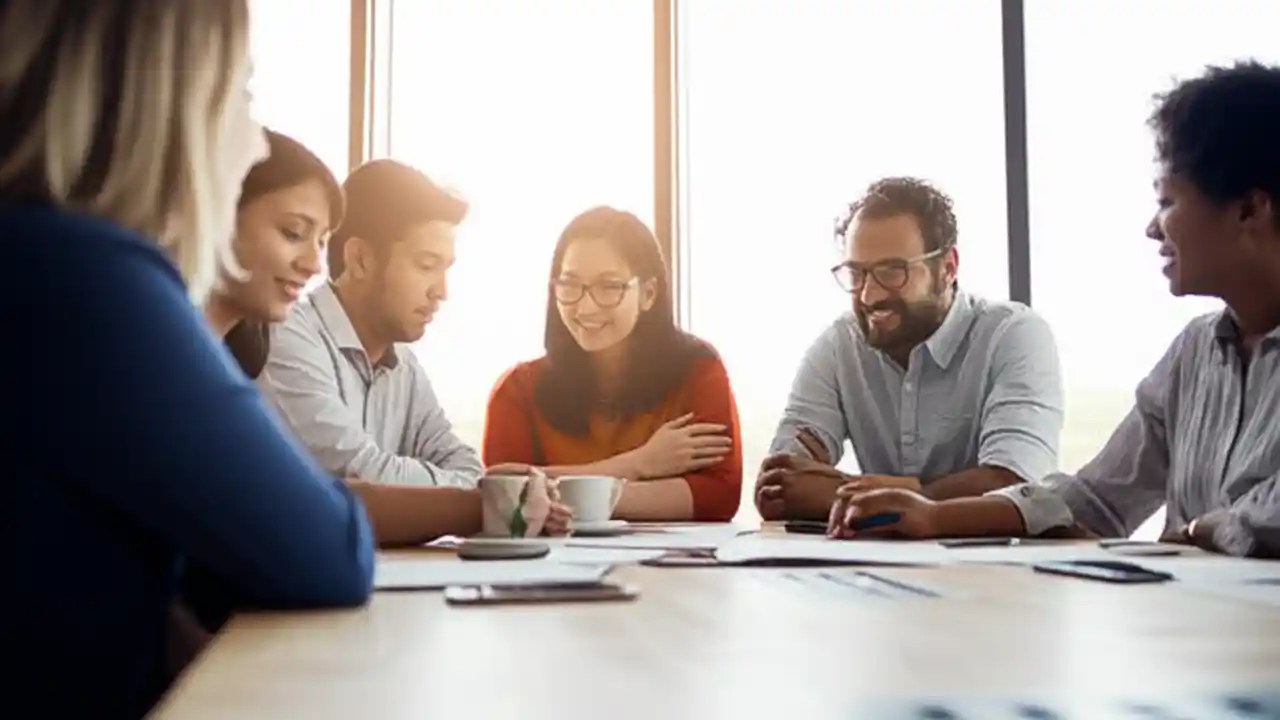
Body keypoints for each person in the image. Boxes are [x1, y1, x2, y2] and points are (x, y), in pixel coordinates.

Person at [2, 3, 375, 718]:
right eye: (244, 91)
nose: (256, 141)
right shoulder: (88, 278)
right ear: (174, 105)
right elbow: (328, 552)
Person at [828, 61, 1280, 559]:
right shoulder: (1195, 354)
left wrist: (1199, 532)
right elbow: (1096, 500)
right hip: (1195, 629)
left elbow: (1265, 518)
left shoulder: (1012, 332)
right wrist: (933, 514)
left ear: (1248, 210)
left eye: (1168, 202)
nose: (1154, 229)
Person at [756, 177, 1064, 522]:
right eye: (857, 274)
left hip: (996, 570)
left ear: (947, 269)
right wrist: (890, 494)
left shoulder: (1013, 335)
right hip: (872, 568)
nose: (869, 295)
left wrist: (853, 492)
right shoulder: (838, 346)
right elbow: (778, 487)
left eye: (892, 272)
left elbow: (1016, 485)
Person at [483, 207, 742, 522]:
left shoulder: (698, 370)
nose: (585, 306)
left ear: (648, 294)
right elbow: (502, 494)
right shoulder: (517, 389)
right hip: (552, 566)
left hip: (663, 566)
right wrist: (637, 464)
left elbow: (718, 497)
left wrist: (554, 494)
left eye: (609, 287)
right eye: (570, 285)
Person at [259, 159, 485, 488]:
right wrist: (471, 492)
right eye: (426, 265)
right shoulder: (288, 337)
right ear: (360, 259)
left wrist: (470, 488)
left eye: (445, 269)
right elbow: (362, 475)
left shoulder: (403, 367)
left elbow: (468, 468)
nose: (441, 291)